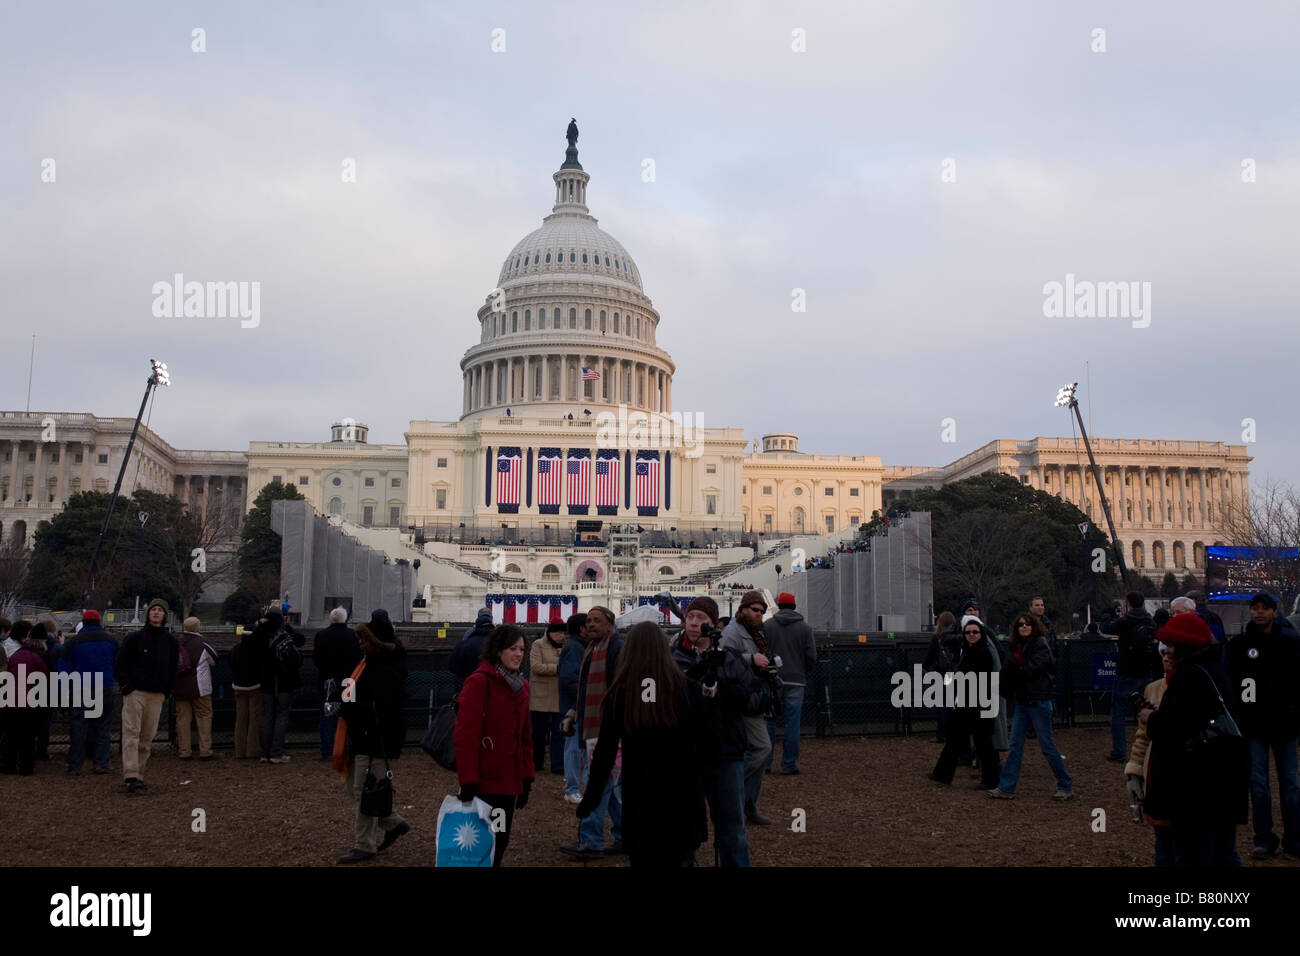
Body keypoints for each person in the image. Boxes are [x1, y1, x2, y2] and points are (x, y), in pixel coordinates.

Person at [578, 621, 706, 867]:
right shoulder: (685, 689)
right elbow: (703, 742)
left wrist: (590, 800)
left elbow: (604, 754)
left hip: (641, 797)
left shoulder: (620, 694)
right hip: (681, 796)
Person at [1140, 612, 1248, 868]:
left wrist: (1150, 718)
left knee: (1193, 855)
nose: (1167, 650)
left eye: (1172, 644)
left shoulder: (1189, 676)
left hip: (1196, 787)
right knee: (1223, 853)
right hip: (1223, 780)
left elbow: (1174, 726)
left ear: (1184, 645)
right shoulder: (1215, 671)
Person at [672, 595, 764, 866]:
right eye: (690, 617)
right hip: (687, 753)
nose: (694, 623)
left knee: (732, 830)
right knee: (684, 827)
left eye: (701, 619)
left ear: (712, 624)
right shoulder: (673, 657)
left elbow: (756, 700)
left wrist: (725, 691)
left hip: (725, 753)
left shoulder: (730, 659)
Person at [1225, 592, 1300, 860]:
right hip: (1253, 725)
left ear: (1274, 612)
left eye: (1264, 608)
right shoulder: (1239, 646)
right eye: (1254, 608)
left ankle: (1294, 838)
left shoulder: (1290, 643)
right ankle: (1264, 838)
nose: (1259, 612)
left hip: (1286, 724)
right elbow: (1231, 684)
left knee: (1290, 783)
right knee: (1258, 784)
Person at [334, 610, 410, 863]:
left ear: (374, 642)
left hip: (372, 739)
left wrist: (349, 706)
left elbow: (370, 705)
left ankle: (365, 844)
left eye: (364, 640)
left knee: (363, 790)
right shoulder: (376, 664)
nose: (360, 643)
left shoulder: (376, 668)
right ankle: (393, 822)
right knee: (362, 790)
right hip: (369, 737)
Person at [454, 625, 533, 867]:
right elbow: (466, 735)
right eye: (513, 649)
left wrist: (527, 777)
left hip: (508, 782)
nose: (519, 654)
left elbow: (525, 736)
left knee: (500, 837)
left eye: (521, 649)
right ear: (498, 651)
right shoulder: (479, 682)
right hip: (484, 780)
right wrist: (467, 779)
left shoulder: (522, 686)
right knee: (481, 840)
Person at [560, 605, 624, 859]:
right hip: (592, 724)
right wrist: (575, 712)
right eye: (589, 621)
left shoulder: (614, 649)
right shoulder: (593, 648)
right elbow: (585, 690)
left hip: (604, 729)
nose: (591, 624)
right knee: (607, 786)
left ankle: (591, 840)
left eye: (597, 620)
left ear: (610, 624)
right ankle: (624, 834)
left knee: (597, 783)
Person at [988, 613, 1072, 800]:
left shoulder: (1039, 644)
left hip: (1038, 701)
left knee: (1046, 745)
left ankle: (1065, 784)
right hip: (1025, 701)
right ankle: (1006, 787)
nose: (1024, 627)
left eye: (1027, 624)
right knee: (1016, 745)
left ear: (1034, 626)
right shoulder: (1020, 647)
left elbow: (1034, 668)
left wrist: (1013, 675)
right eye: (1021, 625)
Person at [720, 590, 775, 826]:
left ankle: (746, 806)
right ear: (743, 609)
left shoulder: (755, 632)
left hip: (753, 695)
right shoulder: (732, 632)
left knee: (755, 754)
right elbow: (723, 660)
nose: (759, 614)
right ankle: (735, 797)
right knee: (762, 749)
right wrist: (751, 660)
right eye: (755, 610)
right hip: (740, 698)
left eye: (762, 611)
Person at [930, 615, 1002, 789]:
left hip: (978, 704)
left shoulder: (983, 652)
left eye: (975, 632)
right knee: (959, 741)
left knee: (982, 743)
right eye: (968, 632)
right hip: (967, 702)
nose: (971, 634)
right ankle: (943, 774)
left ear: (981, 633)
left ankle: (991, 779)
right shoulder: (968, 651)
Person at [115, 598, 179, 794]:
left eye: (160, 610)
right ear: (148, 614)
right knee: (131, 733)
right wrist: (127, 687)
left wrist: (166, 690)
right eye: (153, 610)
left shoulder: (170, 642)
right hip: (136, 692)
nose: (156, 613)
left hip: (157, 694)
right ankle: (131, 775)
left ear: (165, 615)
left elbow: (173, 667)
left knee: (147, 737)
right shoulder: (134, 638)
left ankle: (139, 774)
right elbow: (121, 664)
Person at [1126, 642, 1176, 865]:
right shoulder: (1153, 689)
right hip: (1157, 773)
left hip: (1182, 775)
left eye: (1170, 653)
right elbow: (1143, 734)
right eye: (1163, 653)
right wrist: (1135, 770)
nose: (1166, 657)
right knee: (1163, 847)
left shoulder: (1194, 687)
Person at [762, 592, 817, 775]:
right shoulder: (805, 628)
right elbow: (811, 656)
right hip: (796, 679)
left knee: (769, 721)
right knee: (792, 724)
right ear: (794, 606)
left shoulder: (767, 626)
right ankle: (788, 764)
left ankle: (766, 763)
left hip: (771, 678)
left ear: (779, 606)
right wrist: (803, 671)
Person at [58, 610, 118, 775]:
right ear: (99, 622)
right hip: (104, 686)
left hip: (80, 687)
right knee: (102, 727)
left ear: (83, 622)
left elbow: (63, 668)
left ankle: (75, 765)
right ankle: (101, 762)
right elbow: (117, 664)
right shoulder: (111, 641)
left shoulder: (73, 642)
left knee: (78, 727)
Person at [1108, 591, 1157, 762]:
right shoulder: (1150, 621)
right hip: (1145, 669)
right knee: (1146, 709)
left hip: (1127, 670)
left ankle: (1119, 751)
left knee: (1118, 710)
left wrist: (1112, 615)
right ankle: (1149, 748)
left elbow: (1107, 628)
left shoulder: (1125, 622)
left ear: (1128, 604)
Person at [256, 604, 305, 763]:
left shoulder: (260, 630)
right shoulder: (284, 630)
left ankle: (264, 752)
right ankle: (276, 752)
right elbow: (301, 640)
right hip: (285, 680)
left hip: (266, 680)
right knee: (282, 714)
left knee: (267, 714)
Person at [1, 622, 49, 775]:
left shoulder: (14, 657)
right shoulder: (35, 657)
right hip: (29, 701)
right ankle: (26, 767)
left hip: (11, 701)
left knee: (12, 736)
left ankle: (9, 765)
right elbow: (44, 677)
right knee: (28, 738)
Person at [314, 606, 362, 760]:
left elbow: (317, 659)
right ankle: (347, 748)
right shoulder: (353, 636)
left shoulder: (321, 635)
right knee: (349, 715)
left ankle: (328, 750)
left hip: (328, 682)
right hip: (348, 681)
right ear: (345, 619)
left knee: (328, 716)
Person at [173, 617, 218, 760]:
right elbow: (214, 659)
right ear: (198, 627)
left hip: (179, 686)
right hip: (200, 687)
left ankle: (184, 751)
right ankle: (205, 750)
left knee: (182, 719)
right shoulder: (202, 642)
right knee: (204, 717)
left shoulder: (176, 643)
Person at [557, 612, 588, 804]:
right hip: (574, 706)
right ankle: (572, 788)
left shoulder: (575, 646)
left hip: (575, 704)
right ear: (581, 629)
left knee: (577, 749)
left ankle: (573, 785)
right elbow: (569, 678)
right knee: (574, 749)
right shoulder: (575, 647)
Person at [529, 620, 565, 775]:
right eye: (559, 633)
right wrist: (557, 668)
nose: (562, 636)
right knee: (538, 732)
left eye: (563, 633)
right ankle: (536, 762)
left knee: (558, 732)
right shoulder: (538, 645)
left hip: (557, 694)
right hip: (540, 695)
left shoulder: (564, 647)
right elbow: (536, 666)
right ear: (550, 633)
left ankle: (557, 765)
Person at [229, 623, 263, 759]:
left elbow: (231, 665)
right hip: (255, 687)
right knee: (254, 720)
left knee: (240, 719)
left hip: (238, 687)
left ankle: (239, 750)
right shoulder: (258, 650)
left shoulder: (235, 650)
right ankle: (252, 750)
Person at [923, 612, 958, 743]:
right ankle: (953, 732)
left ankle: (942, 733)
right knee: (954, 703)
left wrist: (925, 668)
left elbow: (931, 655)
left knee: (943, 704)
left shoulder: (937, 638)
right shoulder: (956, 637)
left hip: (943, 673)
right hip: (955, 672)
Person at [449, 608, 494, 681]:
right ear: (491, 618)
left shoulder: (468, 635)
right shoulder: (499, 636)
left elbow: (454, 665)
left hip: (471, 679)